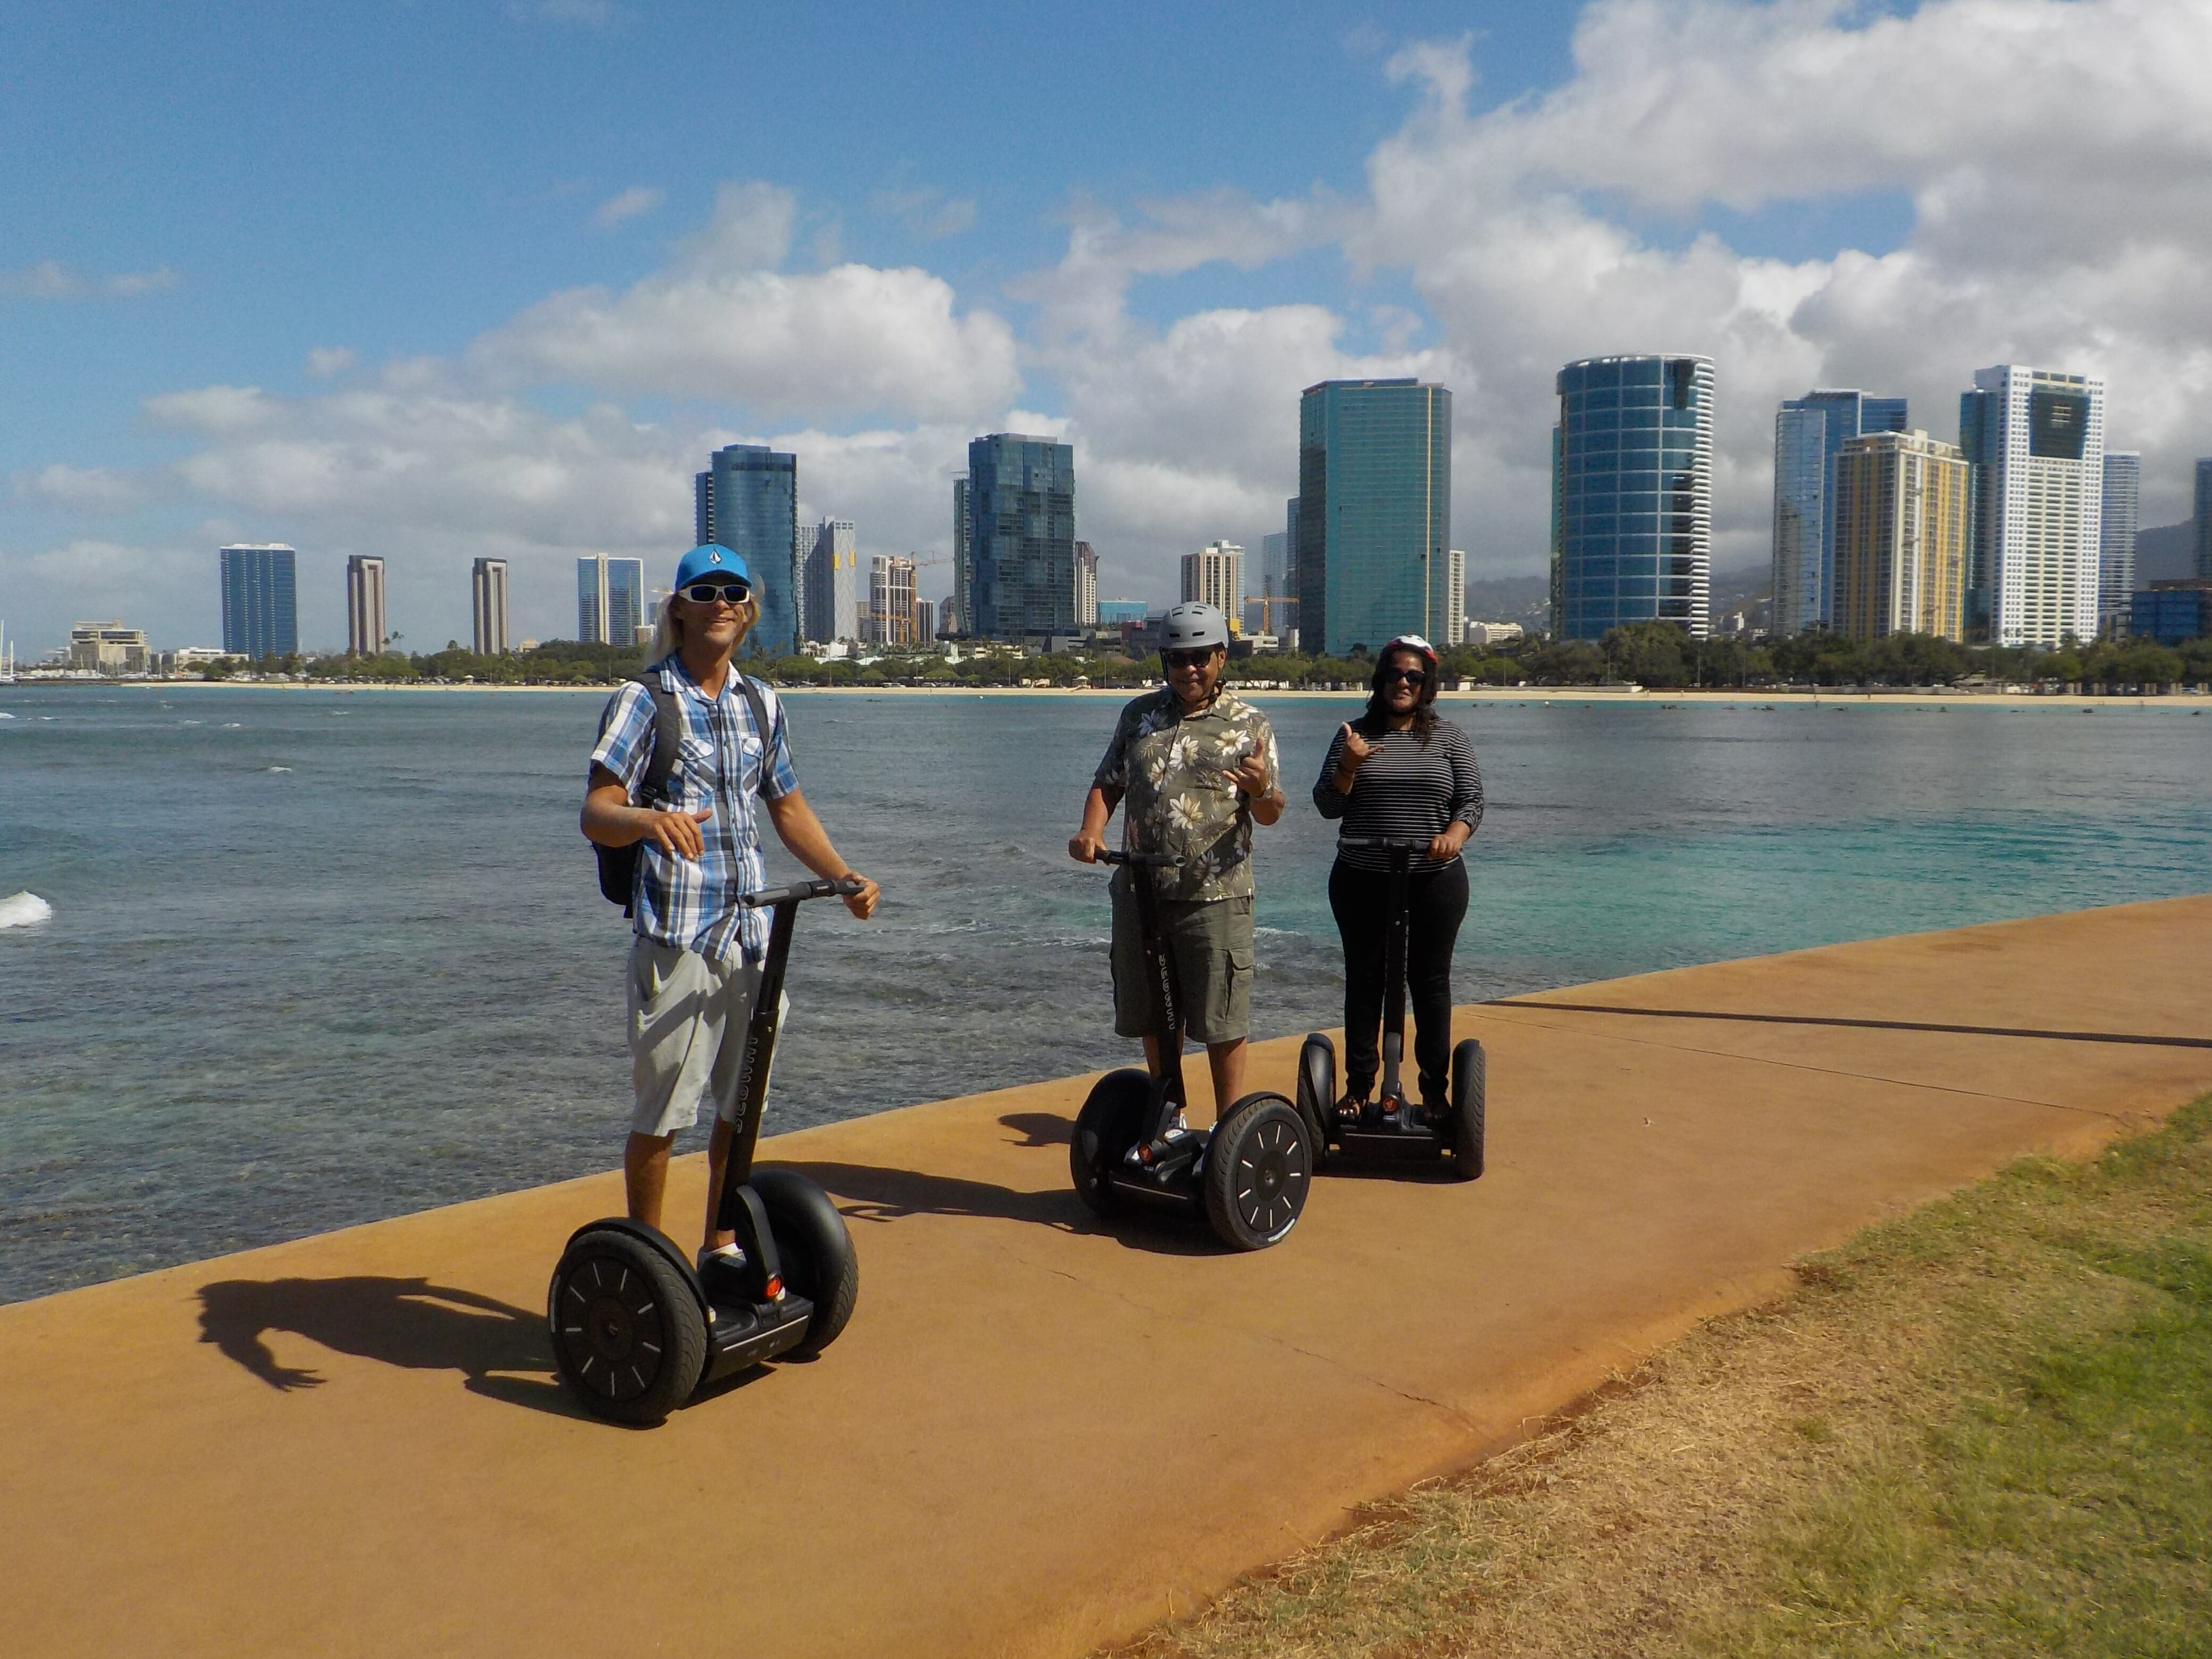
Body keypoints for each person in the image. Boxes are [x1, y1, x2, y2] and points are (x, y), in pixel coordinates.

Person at [581, 544, 879, 1266]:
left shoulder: (760, 702)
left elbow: (788, 806)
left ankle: (718, 1243)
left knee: (741, 1111)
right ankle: (648, 1263)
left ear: (747, 609)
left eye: (734, 591)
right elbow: (597, 810)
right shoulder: (645, 699)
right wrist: (649, 822)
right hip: (679, 936)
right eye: (705, 590)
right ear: (679, 607)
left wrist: (844, 878)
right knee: (664, 1113)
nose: (721, 601)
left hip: (753, 936)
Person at [1069, 602, 1284, 1129]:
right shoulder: (1138, 716)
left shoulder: (1248, 724)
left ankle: (1230, 1130)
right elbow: (1109, 781)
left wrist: (1261, 789)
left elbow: (1271, 812)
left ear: (1220, 657)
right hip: (1142, 891)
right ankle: (1170, 1120)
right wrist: (1090, 832)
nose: (1190, 670)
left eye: (1200, 658)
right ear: (1164, 660)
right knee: (1153, 1014)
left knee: (1220, 1019)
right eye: (1178, 659)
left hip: (1216, 894)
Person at [1312, 635, 1484, 1120]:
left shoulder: (1450, 739)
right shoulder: (1354, 734)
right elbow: (1328, 806)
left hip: (1434, 879)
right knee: (1365, 981)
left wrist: (1454, 834)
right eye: (1393, 674)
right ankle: (1359, 1087)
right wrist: (1349, 765)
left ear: (1427, 685)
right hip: (1362, 877)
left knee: (1429, 984)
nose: (1402, 683)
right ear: (1380, 681)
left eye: (1413, 676)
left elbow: (1472, 800)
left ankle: (1433, 1093)